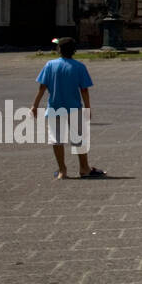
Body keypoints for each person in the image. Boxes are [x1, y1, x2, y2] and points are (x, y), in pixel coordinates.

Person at [30, 37, 102, 179]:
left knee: (56, 139)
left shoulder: (50, 65)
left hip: (54, 107)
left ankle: (62, 170)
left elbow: (42, 87)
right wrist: (88, 108)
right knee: (79, 139)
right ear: (74, 51)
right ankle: (84, 168)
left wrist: (35, 105)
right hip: (74, 108)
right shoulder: (79, 67)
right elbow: (84, 90)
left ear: (59, 50)